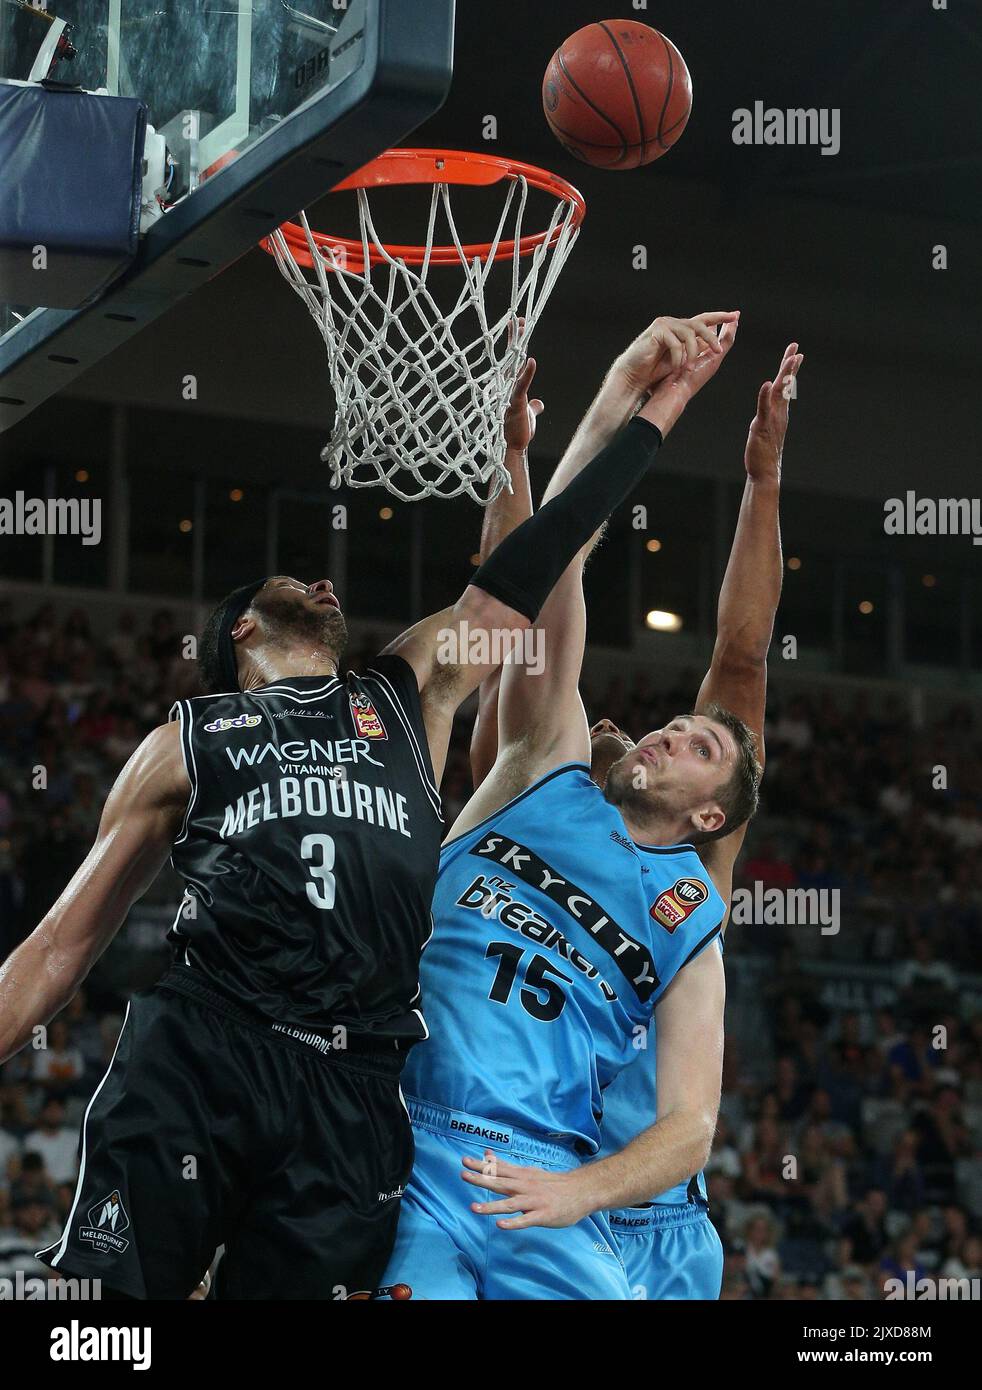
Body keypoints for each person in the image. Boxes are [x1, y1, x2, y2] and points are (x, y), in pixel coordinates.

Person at [0, 310, 730, 1300]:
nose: (324, 575)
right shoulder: (188, 738)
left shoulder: (406, 691)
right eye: (293, 577)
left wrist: (644, 415)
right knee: (106, 1317)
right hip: (207, 1045)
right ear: (246, 625)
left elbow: (522, 582)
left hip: (353, 1087)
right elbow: (56, 947)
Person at [381, 316, 794, 1299]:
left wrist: (763, 482)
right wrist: (530, 453)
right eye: (627, 729)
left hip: (637, 1210)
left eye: (679, 741)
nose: (636, 729)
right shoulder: (527, 773)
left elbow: (736, 660)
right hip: (471, 1158)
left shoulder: (691, 889)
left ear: (710, 811)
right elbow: (520, 600)